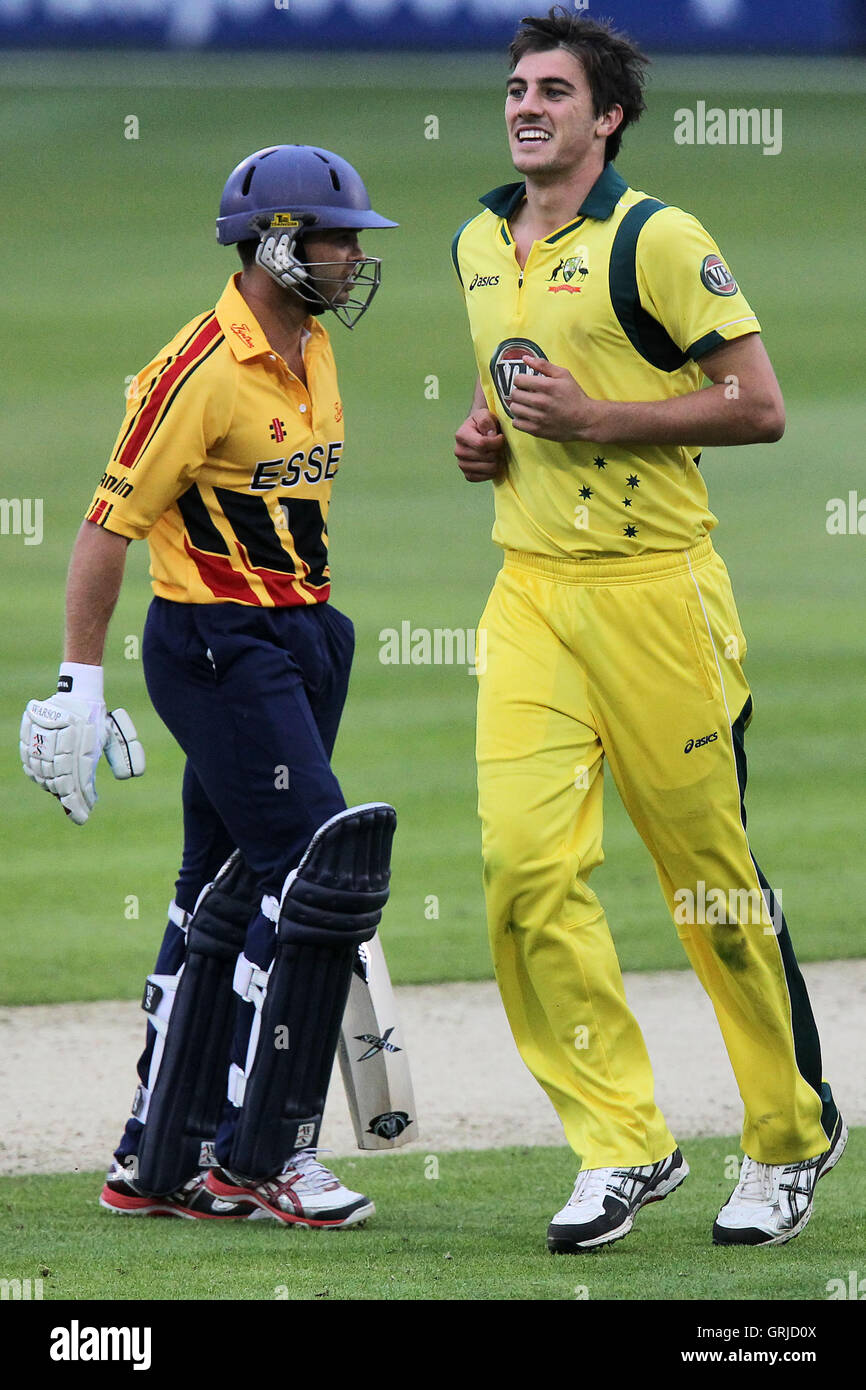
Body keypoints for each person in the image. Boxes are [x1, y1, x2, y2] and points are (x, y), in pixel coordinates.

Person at [451, 10, 845, 1251]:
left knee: (708, 889)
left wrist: (595, 419)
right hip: (528, 595)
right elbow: (513, 374)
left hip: (656, 595)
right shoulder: (474, 238)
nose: (525, 106)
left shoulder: (656, 239)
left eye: (553, 91)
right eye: (515, 87)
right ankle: (620, 1142)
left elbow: (759, 407)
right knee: (524, 870)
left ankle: (786, 1138)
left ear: (604, 115)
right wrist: (484, 435)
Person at [20, 144, 399, 1227]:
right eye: (334, 238)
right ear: (276, 243)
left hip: (304, 636)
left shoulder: (312, 347)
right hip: (217, 644)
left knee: (219, 888)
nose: (348, 256)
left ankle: (157, 1157)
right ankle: (260, 1156)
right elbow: (106, 527)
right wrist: (79, 682)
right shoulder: (195, 370)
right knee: (319, 874)